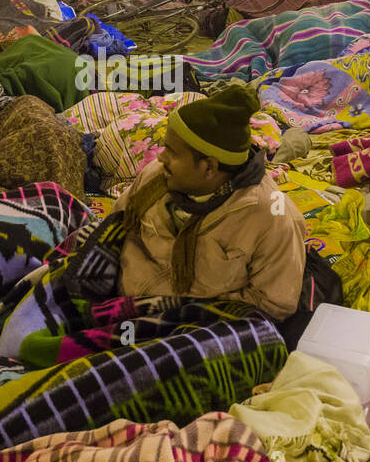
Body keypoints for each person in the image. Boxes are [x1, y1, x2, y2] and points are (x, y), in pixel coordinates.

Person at [111, 84, 306, 321]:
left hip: (191, 326)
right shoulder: (158, 176)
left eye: (172, 151)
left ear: (209, 167)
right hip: (117, 305)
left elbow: (273, 304)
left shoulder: (273, 217)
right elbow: (114, 226)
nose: (161, 157)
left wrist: (180, 313)